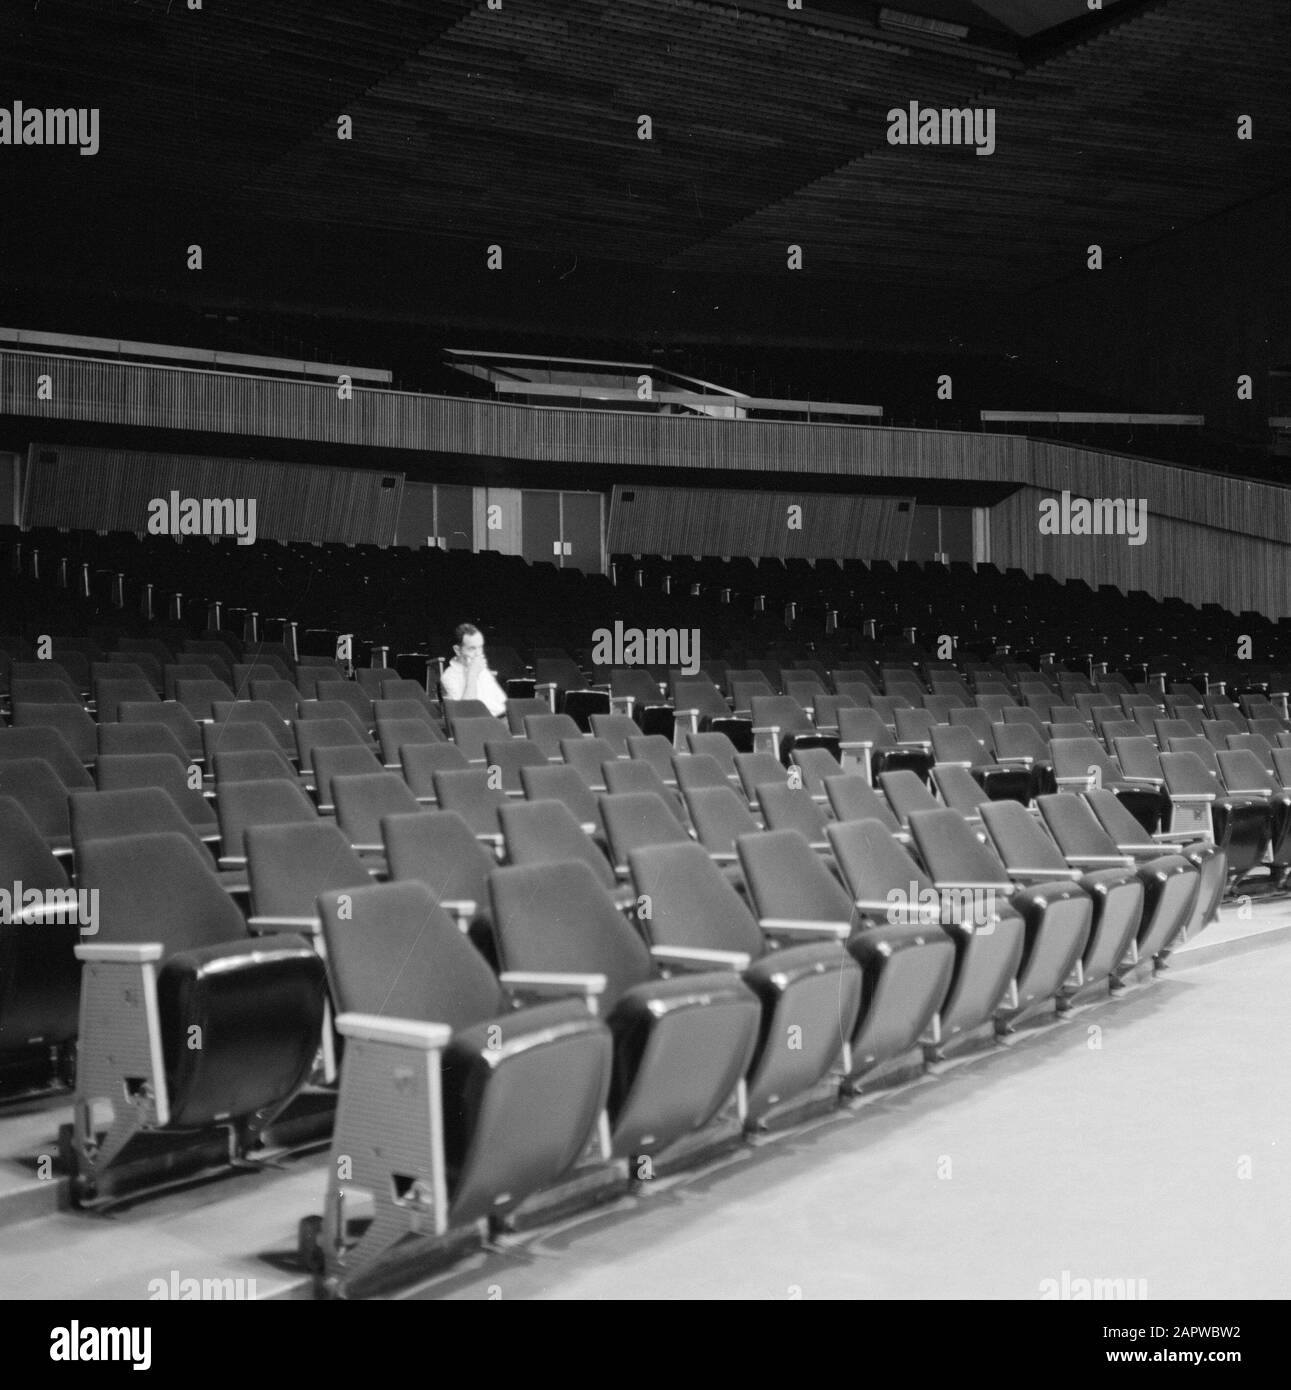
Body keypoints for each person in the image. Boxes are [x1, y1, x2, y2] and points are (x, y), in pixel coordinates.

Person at [439, 622, 508, 717]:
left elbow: (501, 703)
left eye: (480, 647)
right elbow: (467, 713)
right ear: (457, 650)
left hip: (503, 719)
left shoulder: (481, 668)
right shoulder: (449, 677)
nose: (478, 653)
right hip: (482, 725)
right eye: (472, 648)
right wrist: (472, 675)